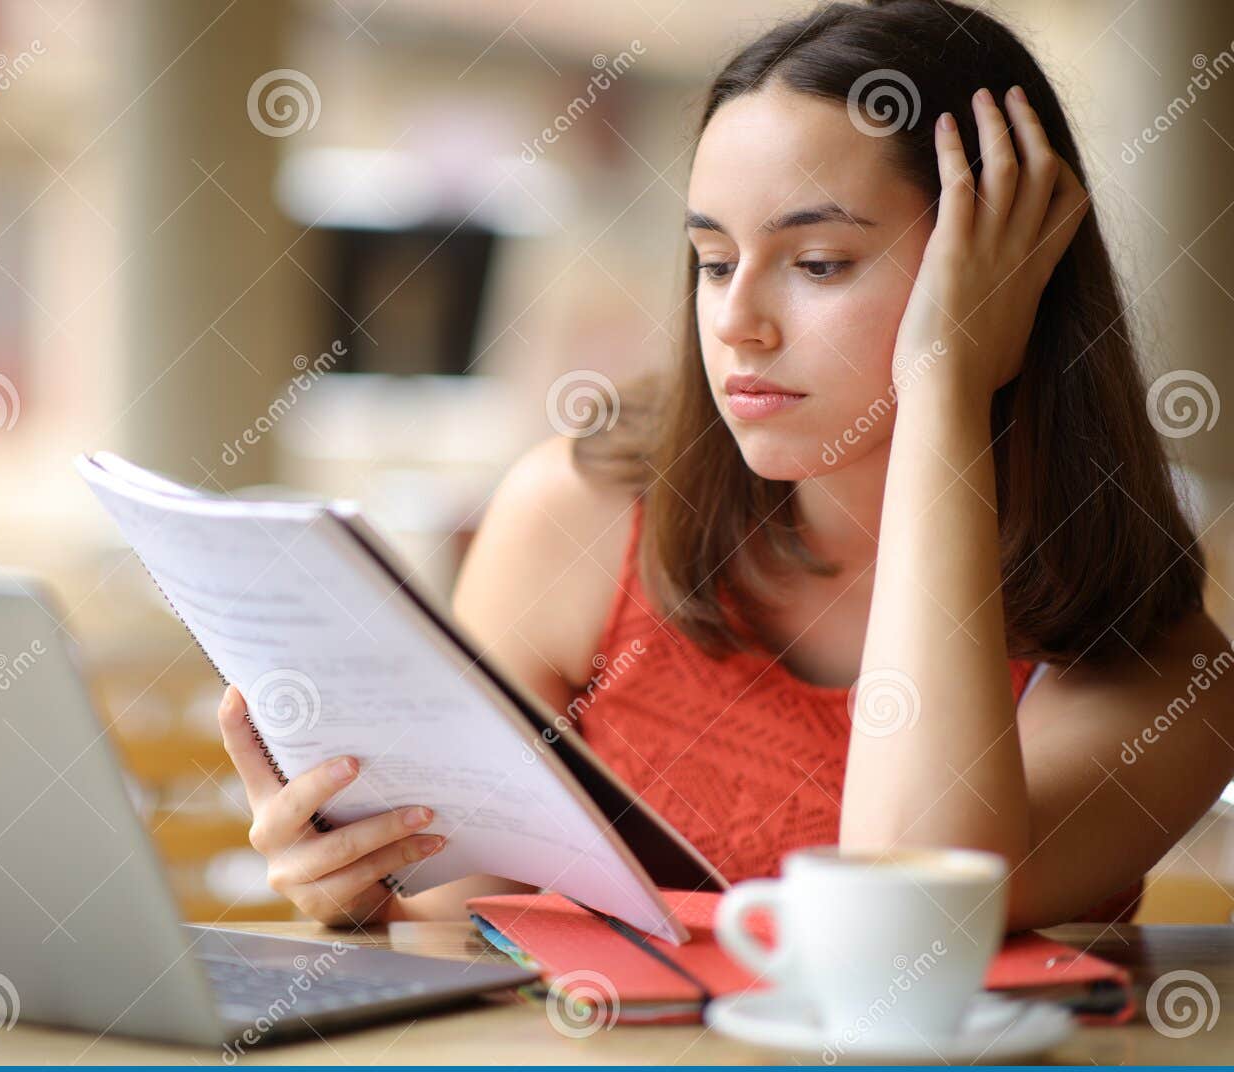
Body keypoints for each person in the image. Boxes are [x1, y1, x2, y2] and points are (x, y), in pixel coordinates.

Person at [220, 0, 1234, 934]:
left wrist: (943, 381)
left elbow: (912, 925)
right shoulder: (577, 518)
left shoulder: (1163, 672)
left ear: (1006, 281)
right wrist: (363, 886)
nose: (737, 322)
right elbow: (466, 922)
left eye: (819, 263)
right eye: (712, 261)